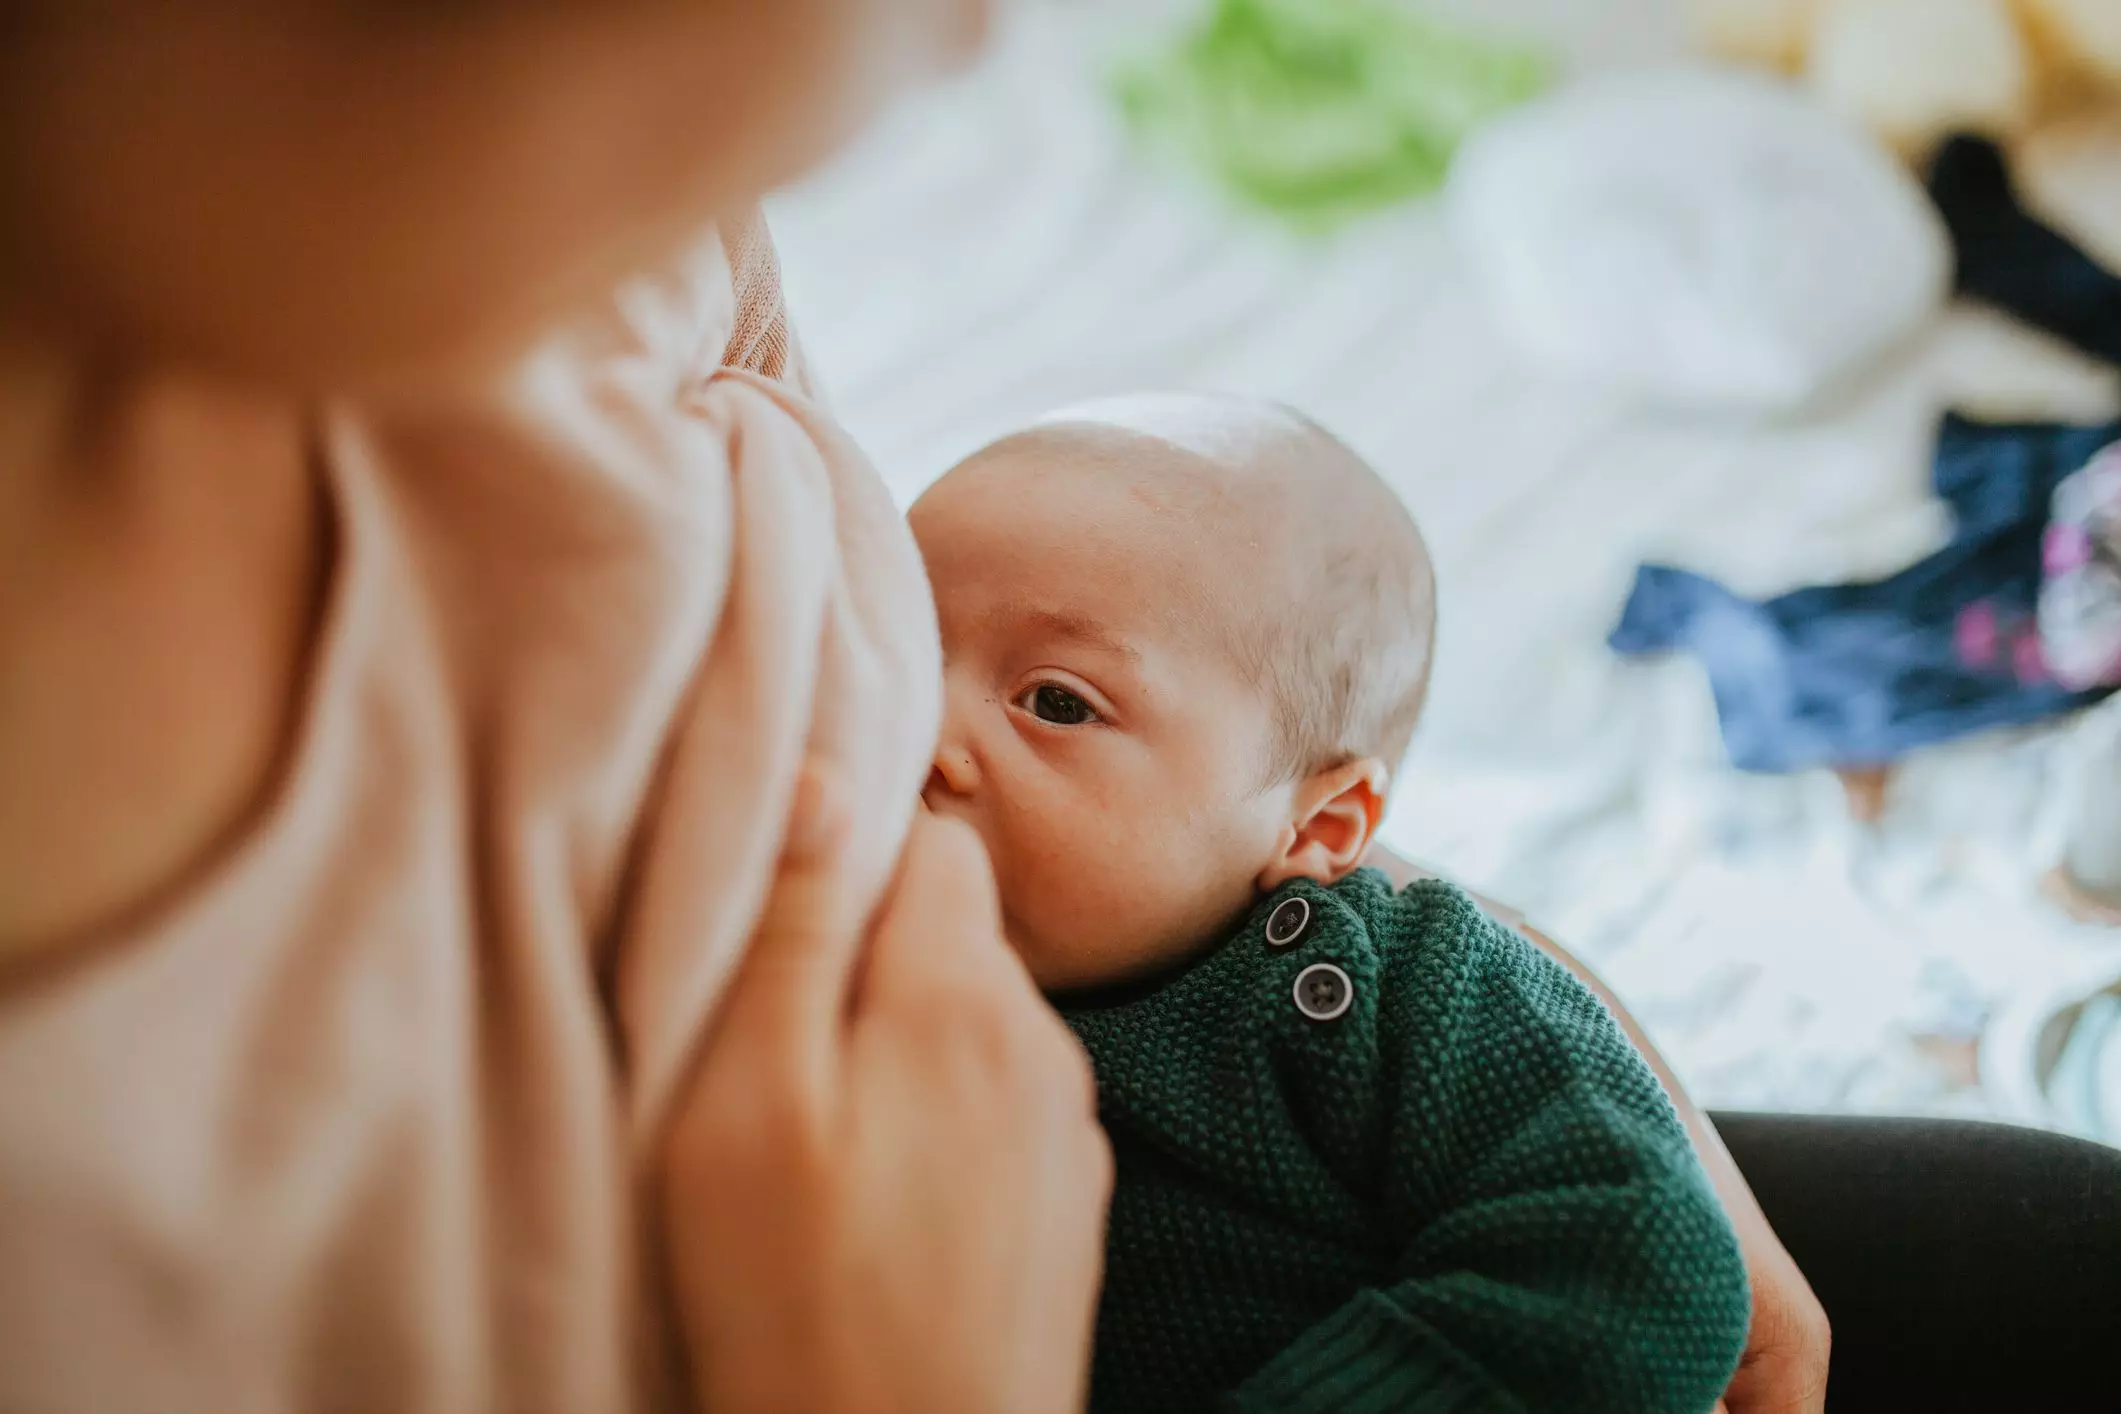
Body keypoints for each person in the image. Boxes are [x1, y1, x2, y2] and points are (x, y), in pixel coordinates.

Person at [0, 3, 1827, 1411]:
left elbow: (1579, 1205)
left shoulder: (617, 230)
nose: (967, 39)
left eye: (1047, 697)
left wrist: (1591, 1089)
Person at [911, 397, 1752, 1412]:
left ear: (1316, 826)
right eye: (892, 653)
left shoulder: (1408, 992)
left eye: (1055, 702)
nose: (912, 732)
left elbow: (1633, 1256)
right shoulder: (809, 954)